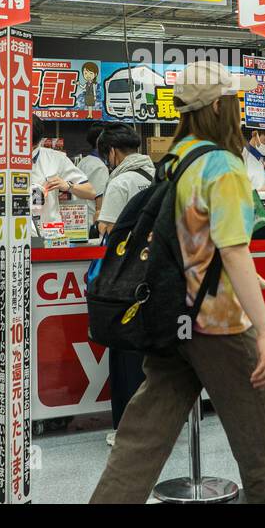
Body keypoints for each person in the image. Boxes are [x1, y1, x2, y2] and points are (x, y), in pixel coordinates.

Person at [90, 60, 265, 504]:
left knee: (141, 441)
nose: (240, 108)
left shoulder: (176, 158)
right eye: (235, 100)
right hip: (219, 324)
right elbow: (233, 250)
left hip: (171, 316)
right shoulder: (222, 165)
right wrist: (264, 330)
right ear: (220, 106)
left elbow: (190, 241)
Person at [94, 125, 156, 446]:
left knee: (124, 357)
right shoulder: (156, 176)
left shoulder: (119, 181)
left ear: (113, 153)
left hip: (124, 284)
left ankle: (126, 430)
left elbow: (107, 229)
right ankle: (153, 424)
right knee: (149, 357)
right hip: (153, 279)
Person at [0, 116, 98, 235]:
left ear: (39, 141)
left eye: (31, 147)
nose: (26, 152)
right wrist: (13, 196)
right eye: (21, 146)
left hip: (48, 234)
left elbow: (91, 192)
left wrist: (68, 186)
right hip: (8, 236)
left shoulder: (56, 158)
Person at [75, 123, 110, 230]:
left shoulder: (85, 161)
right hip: (92, 223)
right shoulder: (99, 166)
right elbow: (100, 203)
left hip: (81, 220)